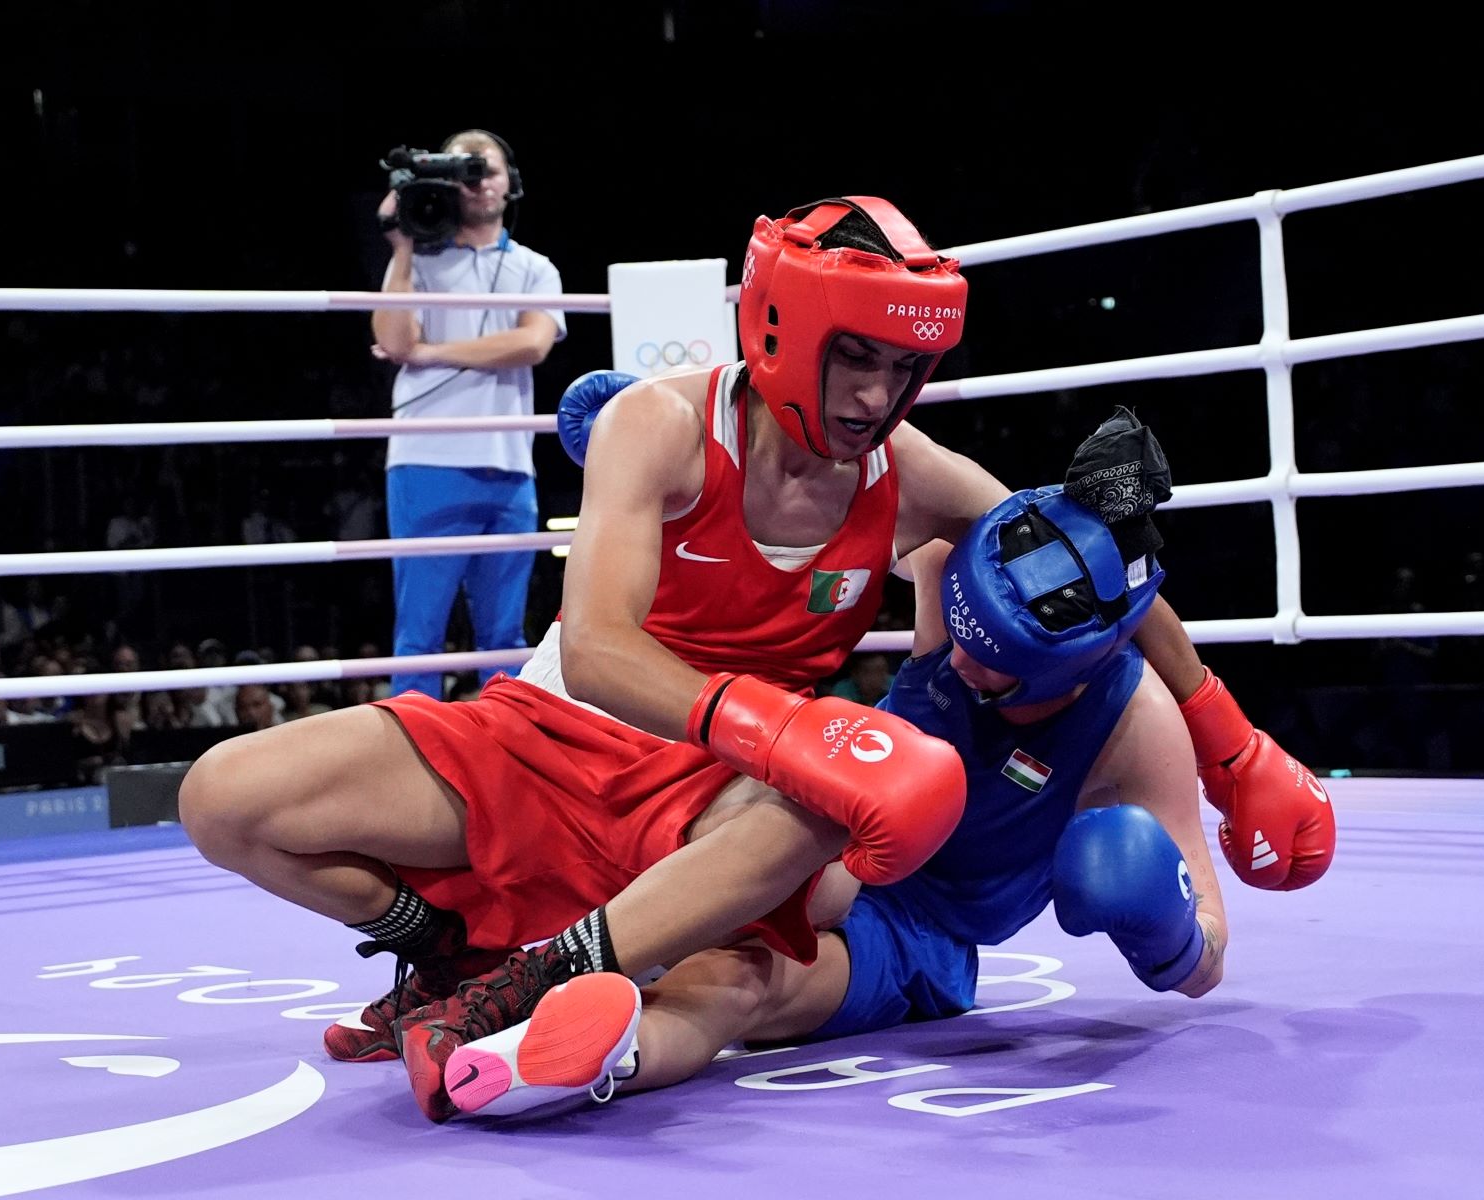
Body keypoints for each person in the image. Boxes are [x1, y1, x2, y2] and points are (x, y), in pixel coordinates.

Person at [179, 197, 1326, 1127]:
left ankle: (519, 987)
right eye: (857, 361)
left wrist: (1233, 747)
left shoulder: (907, 473)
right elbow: (599, 646)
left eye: (903, 371)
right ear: (780, 329)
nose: (878, 397)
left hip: (716, 801)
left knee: (865, 794)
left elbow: (1100, 562)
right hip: (553, 734)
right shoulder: (663, 427)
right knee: (224, 797)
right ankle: (447, 950)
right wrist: (779, 723)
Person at [437, 419, 1240, 1119]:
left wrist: (1157, 922)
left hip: (917, 933)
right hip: (838, 822)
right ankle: (489, 959)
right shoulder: (952, 570)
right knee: (707, 821)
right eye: (958, 627)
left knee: (747, 978)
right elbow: (821, 518)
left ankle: (558, 1064)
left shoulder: (1135, 726)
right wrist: (662, 450)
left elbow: (1207, 955)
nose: (958, 654)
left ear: (1069, 664)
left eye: (995, 661)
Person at [372, 129, 564, 699]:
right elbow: (391, 336)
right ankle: (409, 764)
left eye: (488, 169)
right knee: (419, 632)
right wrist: (400, 244)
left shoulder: (535, 268)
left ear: (511, 185)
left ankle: (504, 757)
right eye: (466, 171)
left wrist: (430, 352)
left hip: (508, 467)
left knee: (503, 635)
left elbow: (532, 344)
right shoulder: (421, 265)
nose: (478, 182)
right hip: (425, 459)